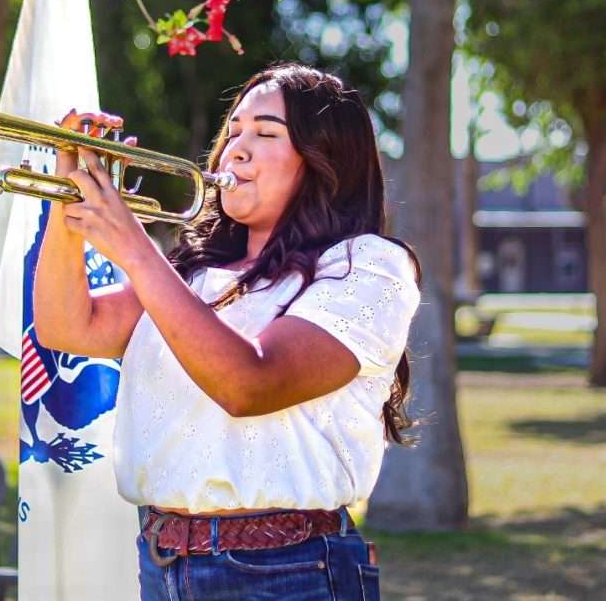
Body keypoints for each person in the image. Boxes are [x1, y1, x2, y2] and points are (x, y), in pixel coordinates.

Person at [34, 63, 421, 600]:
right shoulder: (196, 275)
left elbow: (249, 384)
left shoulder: (368, 267)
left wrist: (134, 248)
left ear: (325, 161)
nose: (234, 150)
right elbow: (66, 326)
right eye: (233, 131)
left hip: (287, 572)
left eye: (264, 134)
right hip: (163, 562)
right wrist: (66, 198)